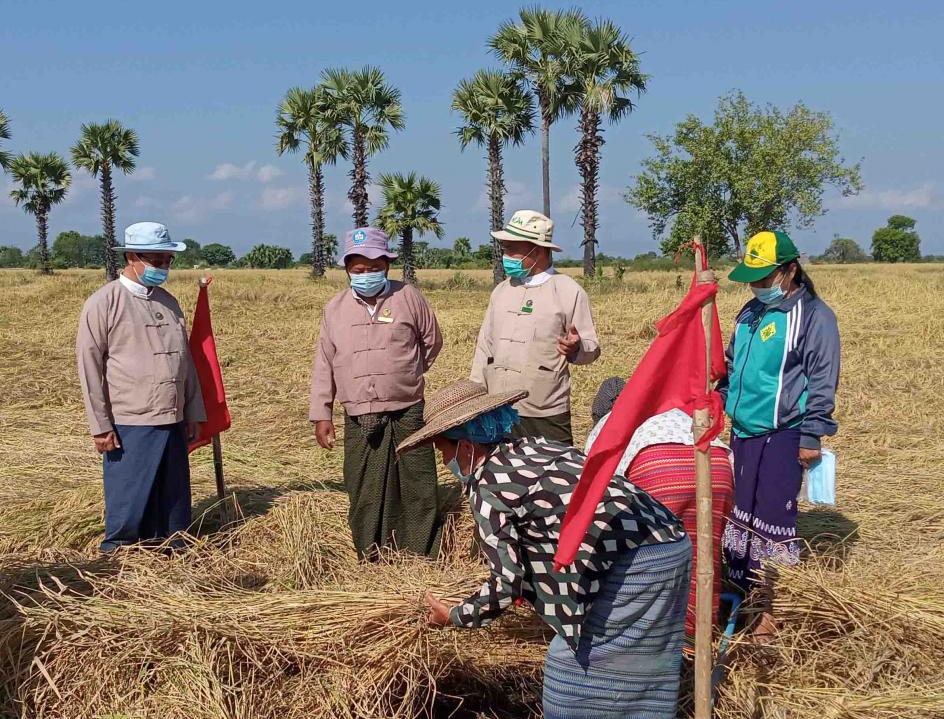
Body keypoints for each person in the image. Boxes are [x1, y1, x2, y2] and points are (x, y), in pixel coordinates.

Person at [401, 380, 690, 719]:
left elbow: (506, 582)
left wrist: (455, 615)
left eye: (444, 449)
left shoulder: (488, 486)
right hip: (665, 539)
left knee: (571, 669)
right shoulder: (532, 447)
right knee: (637, 656)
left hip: (637, 560)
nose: (443, 462)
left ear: (466, 446)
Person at [718, 230, 841, 635]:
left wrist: (812, 435)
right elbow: (733, 364)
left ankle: (770, 609)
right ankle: (739, 593)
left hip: (783, 433)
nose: (756, 285)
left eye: (763, 277)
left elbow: (822, 379)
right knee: (740, 514)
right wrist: (719, 397)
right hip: (743, 430)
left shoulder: (814, 317)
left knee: (772, 517)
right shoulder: (750, 312)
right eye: (751, 277)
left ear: (789, 271)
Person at [309, 226, 444, 557]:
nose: (366, 274)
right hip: (358, 412)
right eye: (358, 270)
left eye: (373, 268)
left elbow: (432, 341)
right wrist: (321, 414)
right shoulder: (335, 309)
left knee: (417, 482)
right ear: (347, 270)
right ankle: (371, 552)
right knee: (363, 485)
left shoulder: (407, 297)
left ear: (387, 265)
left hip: (408, 407)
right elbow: (324, 363)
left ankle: (418, 552)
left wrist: (405, 373)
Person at [76, 221, 206, 551]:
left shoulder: (169, 302)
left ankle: (171, 557)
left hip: (173, 419)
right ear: (132, 257)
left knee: (173, 506)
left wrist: (193, 411)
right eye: (156, 260)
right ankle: (117, 561)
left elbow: (185, 362)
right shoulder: (104, 303)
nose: (163, 267)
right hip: (130, 422)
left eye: (167, 261)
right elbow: (89, 368)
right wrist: (100, 426)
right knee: (129, 502)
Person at [585, 377, 734, 650]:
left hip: (658, 467)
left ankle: (656, 642)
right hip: (717, 464)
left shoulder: (608, 426)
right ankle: (695, 641)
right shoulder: (672, 412)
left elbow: (597, 501)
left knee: (651, 560)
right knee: (703, 556)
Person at [470, 209, 600, 445]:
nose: (505, 255)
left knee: (552, 476)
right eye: (505, 248)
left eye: (512, 249)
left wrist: (575, 349)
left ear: (537, 250)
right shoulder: (501, 291)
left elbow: (591, 347)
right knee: (500, 474)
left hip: (543, 408)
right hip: (496, 405)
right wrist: (476, 394)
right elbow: (484, 347)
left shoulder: (568, 291)